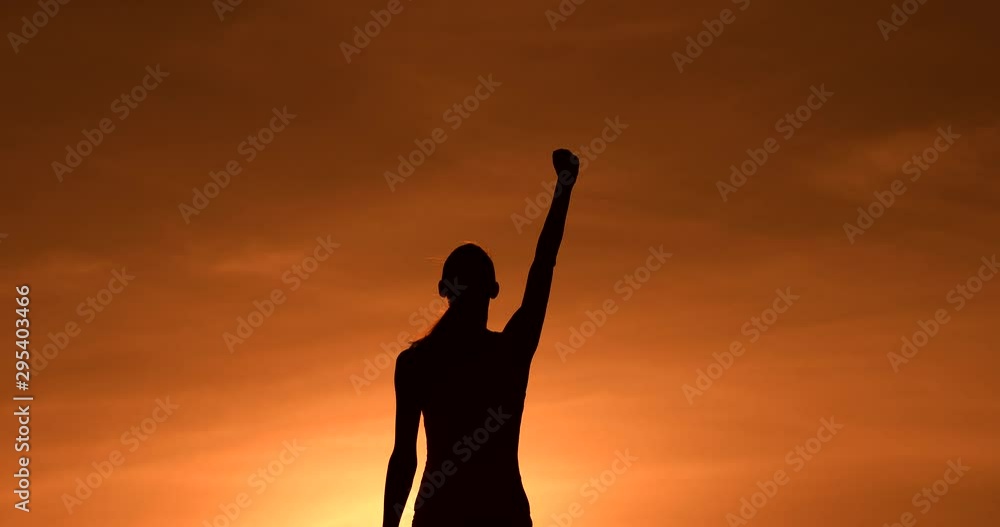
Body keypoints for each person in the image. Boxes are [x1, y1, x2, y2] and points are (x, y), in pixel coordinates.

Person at [381, 149, 581, 527]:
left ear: (444, 289)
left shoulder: (417, 363)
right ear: (494, 290)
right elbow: (543, 266)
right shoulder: (507, 352)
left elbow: (404, 458)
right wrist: (564, 187)